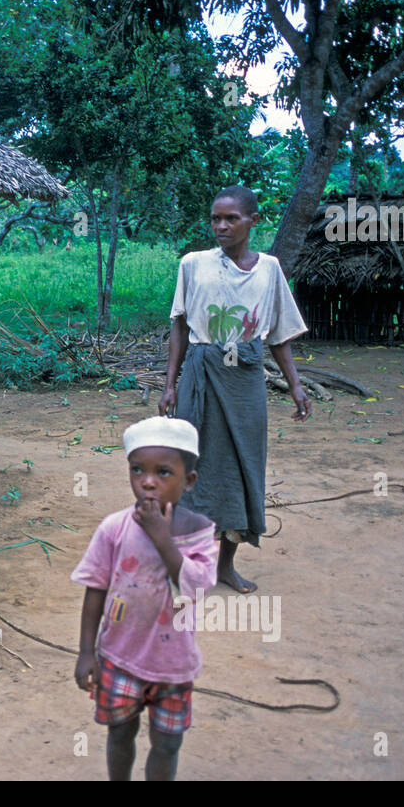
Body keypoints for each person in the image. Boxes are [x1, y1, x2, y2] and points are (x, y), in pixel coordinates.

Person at [159, 185, 310, 593]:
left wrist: (295, 385)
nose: (221, 226)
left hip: (244, 380)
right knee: (192, 468)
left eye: (231, 219)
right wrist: (170, 384)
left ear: (253, 220)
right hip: (201, 373)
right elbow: (178, 324)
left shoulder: (269, 270)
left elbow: (279, 335)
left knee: (244, 468)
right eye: (215, 218)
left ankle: (225, 565)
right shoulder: (193, 264)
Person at [72, 416, 217, 781]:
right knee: (120, 734)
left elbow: (197, 587)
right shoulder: (113, 528)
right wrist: (86, 652)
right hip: (119, 659)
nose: (148, 481)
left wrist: (162, 538)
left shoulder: (199, 533)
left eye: (163, 472)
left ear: (189, 481)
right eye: (138, 470)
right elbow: (96, 590)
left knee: (167, 744)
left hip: (173, 664)